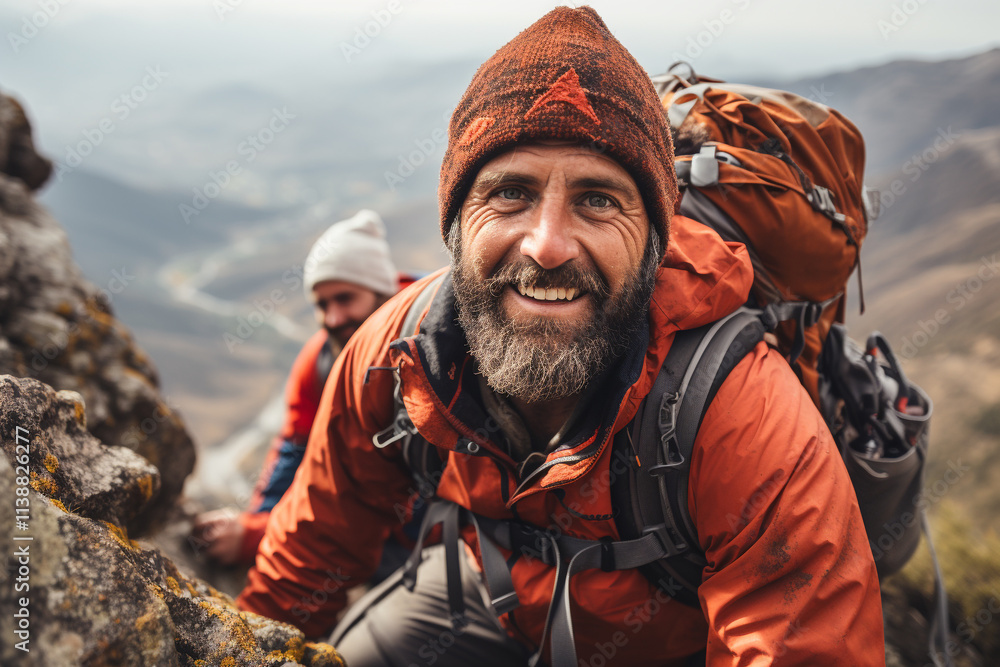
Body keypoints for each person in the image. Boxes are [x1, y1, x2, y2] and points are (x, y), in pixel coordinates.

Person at [237, 7, 884, 665]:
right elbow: (314, 548)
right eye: (511, 192)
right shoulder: (396, 356)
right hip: (494, 604)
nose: (547, 246)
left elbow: (797, 644)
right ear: (456, 225)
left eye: (599, 198)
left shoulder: (737, 413)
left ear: (655, 245)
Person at [192, 209, 409, 566]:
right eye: (322, 305)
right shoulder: (318, 363)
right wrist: (253, 526)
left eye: (345, 298)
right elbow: (293, 455)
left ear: (383, 292)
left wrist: (260, 536)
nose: (333, 318)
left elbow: (362, 498)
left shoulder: (434, 343)